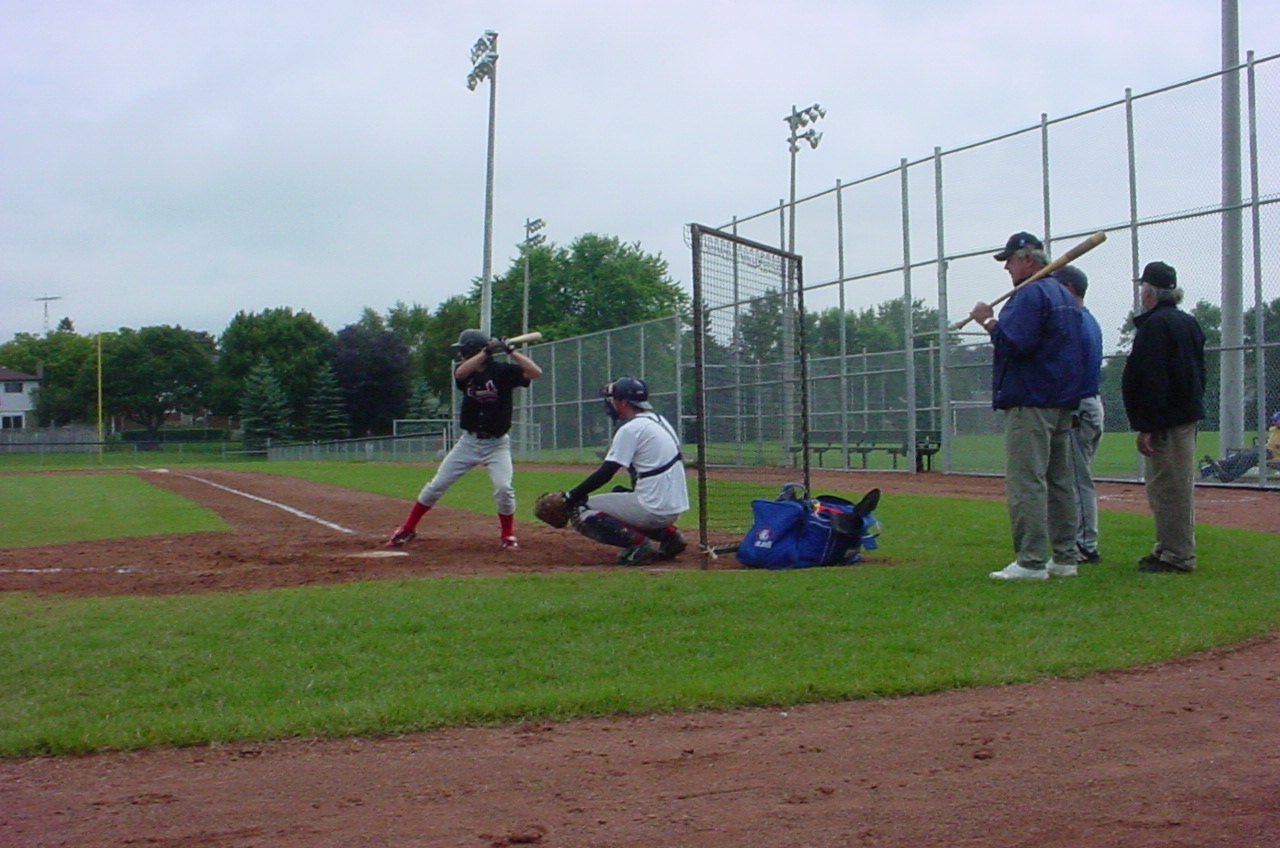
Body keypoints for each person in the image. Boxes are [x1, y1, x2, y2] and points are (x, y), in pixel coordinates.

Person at [968, 231, 1089, 581]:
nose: (1006, 266)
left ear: (1028, 259)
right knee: (1059, 482)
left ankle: (1031, 560)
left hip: (1031, 401)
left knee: (1028, 481)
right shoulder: (1062, 295)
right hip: (1060, 400)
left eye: (1010, 259)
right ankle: (1065, 558)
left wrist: (988, 321)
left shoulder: (1030, 294)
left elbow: (1015, 343)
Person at [385, 329, 543, 551]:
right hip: (468, 443)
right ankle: (407, 528)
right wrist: (487, 350)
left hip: (497, 444)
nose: (459, 354)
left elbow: (535, 372)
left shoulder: (503, 372)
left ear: (469, 350)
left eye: (462, 350)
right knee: (436, 486)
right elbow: (460, 373)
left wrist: (511, 350)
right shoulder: (465, 373)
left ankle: (507, 535)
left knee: (504, 488)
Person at [1121, 261, 1207, 573]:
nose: (1141, 294)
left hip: (1168, 418)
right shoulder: (1186, 322)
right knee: (1167, 486)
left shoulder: (1157, 325)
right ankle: (1167, 547)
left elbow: (1153, 377)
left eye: (1143, 288)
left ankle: (1178, 555)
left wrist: (1148, 424)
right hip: (1181, 413)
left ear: (1150, 292)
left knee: (1170, 488)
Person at [561, 376, 689, 566]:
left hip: (653, 508)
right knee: (619, 495)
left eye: (612, 399)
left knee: (581, 509)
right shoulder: (659, 420)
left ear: (622, 402)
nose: (609, 404)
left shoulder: (631, 428)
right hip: (673, 506)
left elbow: (607, 471)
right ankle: (671, 537)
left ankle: (639, 546)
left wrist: (570, 497)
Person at [1057, 265, 1105, 564]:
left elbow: (1072, 370)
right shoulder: (1088, 320)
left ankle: (1086, 544)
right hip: (1087, 403)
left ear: (1071, 289)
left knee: (1077, 479)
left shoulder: (1077, 321)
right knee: (1075, 476)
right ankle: (1080, 540)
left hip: (1080, 405)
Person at [1200, 411, 1280, 483]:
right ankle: (1220, 465)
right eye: (1274, 420)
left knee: (1248, 457)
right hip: (1265, 450)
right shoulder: (1274, 429)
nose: (1274, 422)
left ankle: (1229, 475)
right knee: (1241, 455)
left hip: (1273, 455)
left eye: (1276, 420)